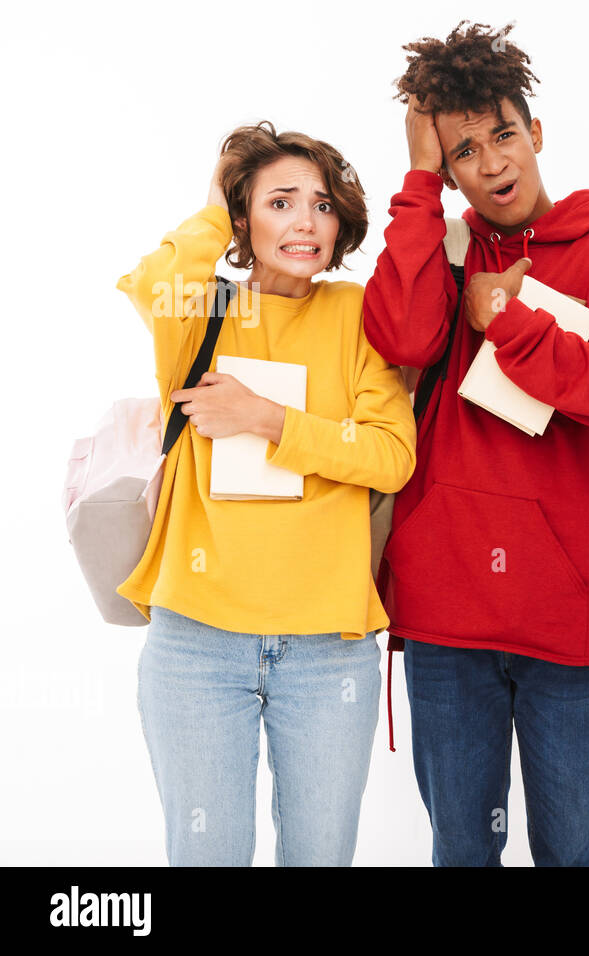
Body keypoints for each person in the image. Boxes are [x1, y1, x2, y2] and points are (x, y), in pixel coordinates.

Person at [363, 21, 589, 866]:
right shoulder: (441, 243)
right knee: (460, 850)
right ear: (448, 166)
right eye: (465, 150)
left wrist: (516, 328)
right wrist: (418, 186)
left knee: (572, 853)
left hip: (568, 613)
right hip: (446, 608)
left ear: (536, 134)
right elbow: (399, 337)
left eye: (504, 135)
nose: (494, 162)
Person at [116, 122, 417, 865]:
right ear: (245, 218)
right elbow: (154, 283)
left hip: (327, 651)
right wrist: (219, 201)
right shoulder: (202, 313)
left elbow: (391, 455)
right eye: (279, 202)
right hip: (196, 641)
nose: (306, 221)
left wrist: (266, 417)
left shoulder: (354, 314)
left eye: (321, 204)